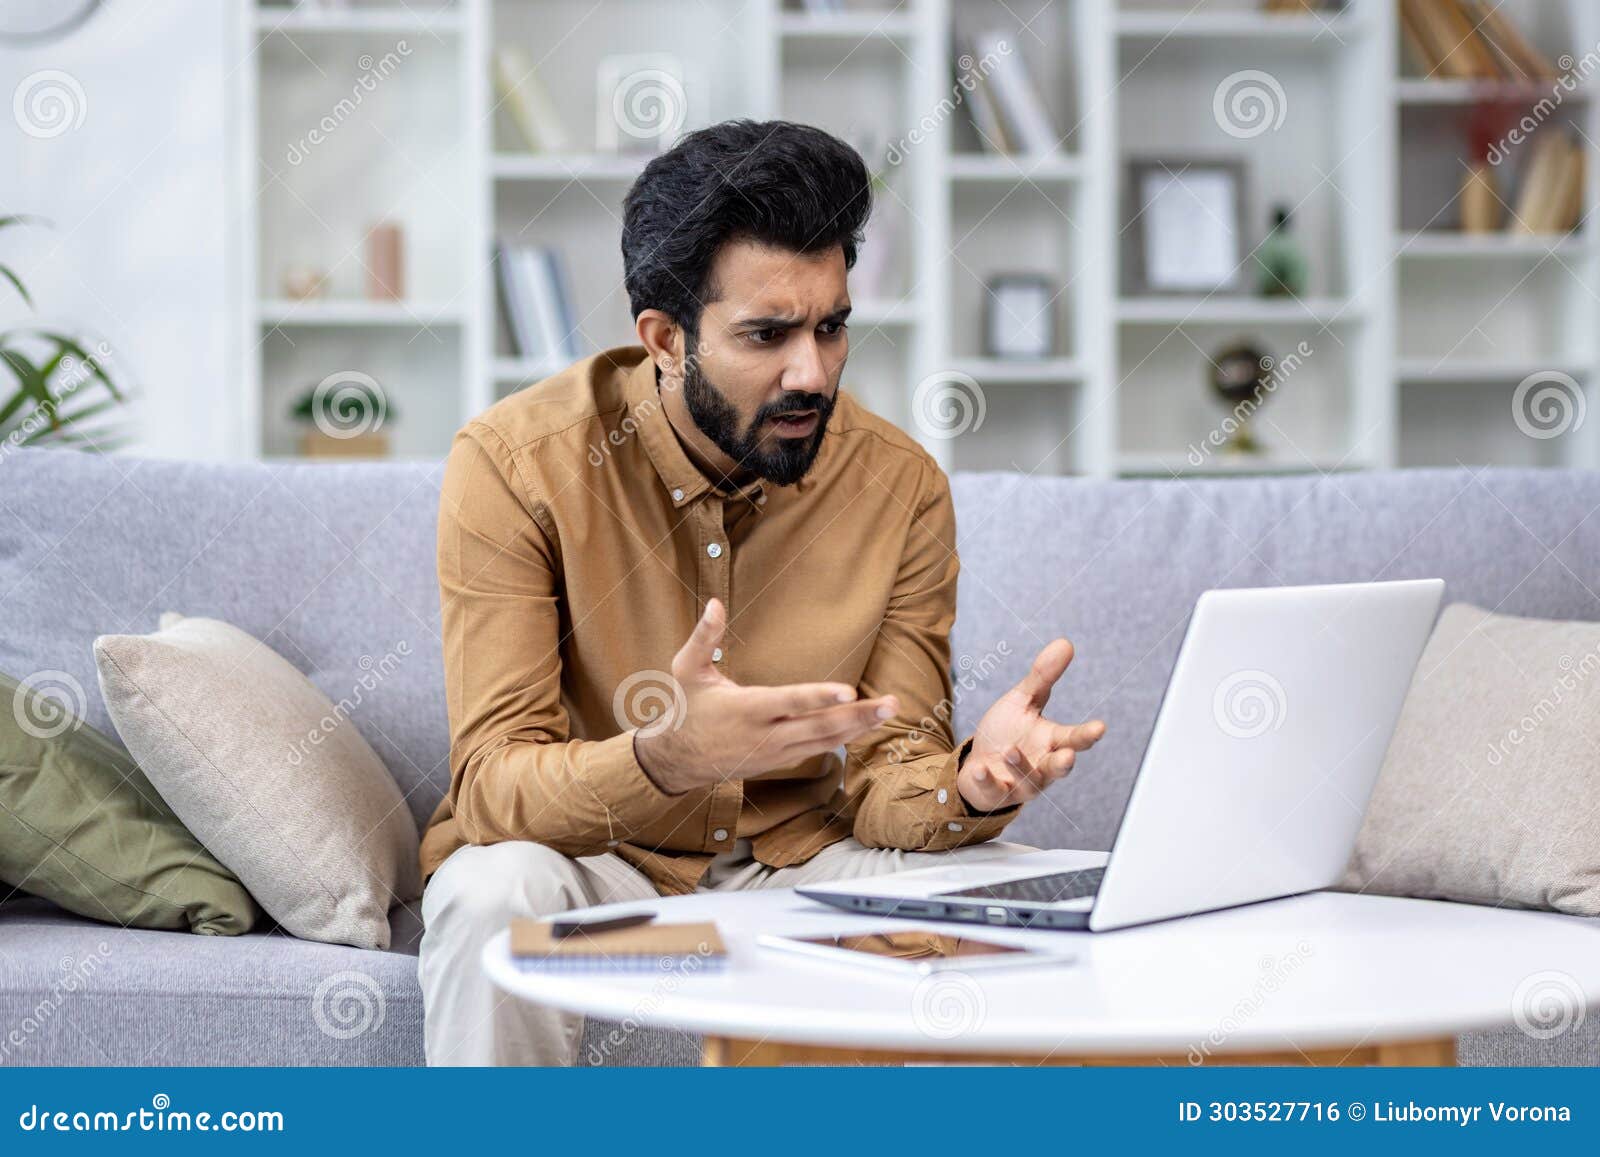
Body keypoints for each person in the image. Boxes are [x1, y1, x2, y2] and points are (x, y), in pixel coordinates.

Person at [416, 119, 1106, 1065]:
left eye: (831, 327)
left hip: (800, 868)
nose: (811, 372)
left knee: (1021, 893)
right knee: (490, 894)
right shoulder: (515, 466)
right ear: (664, 338)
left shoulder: (900, 486)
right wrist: (665, 758)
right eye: (767, 335)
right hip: (600, 865)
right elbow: (493, 783)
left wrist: (973, 781)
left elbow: (889, 774)